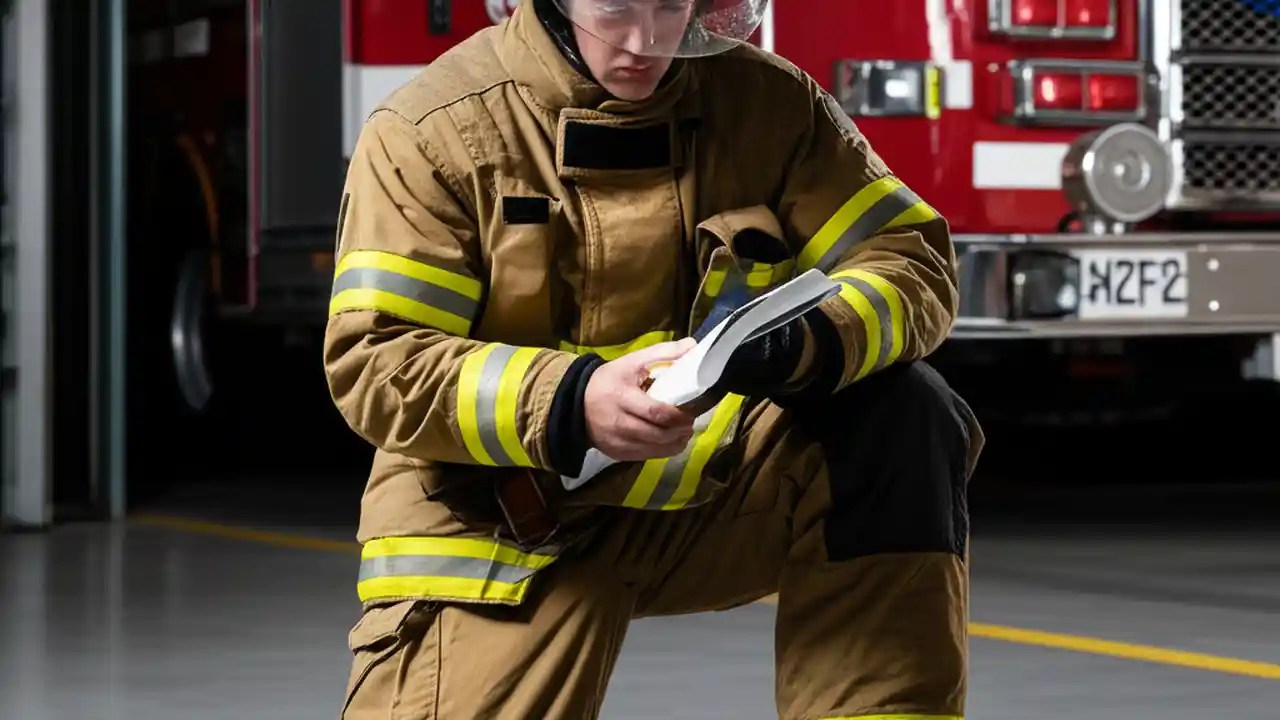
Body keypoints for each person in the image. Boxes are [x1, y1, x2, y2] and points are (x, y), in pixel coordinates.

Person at [324, 0, 984, 717]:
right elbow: (378, 358)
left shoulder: (771, 106)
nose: (643, 42)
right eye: (614, 9)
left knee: (905, 414)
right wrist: (571, 401)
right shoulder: (429, 130)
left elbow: (908, 258)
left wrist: (814, 338)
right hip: (501, 523)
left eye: (670, 7)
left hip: (703, 494)